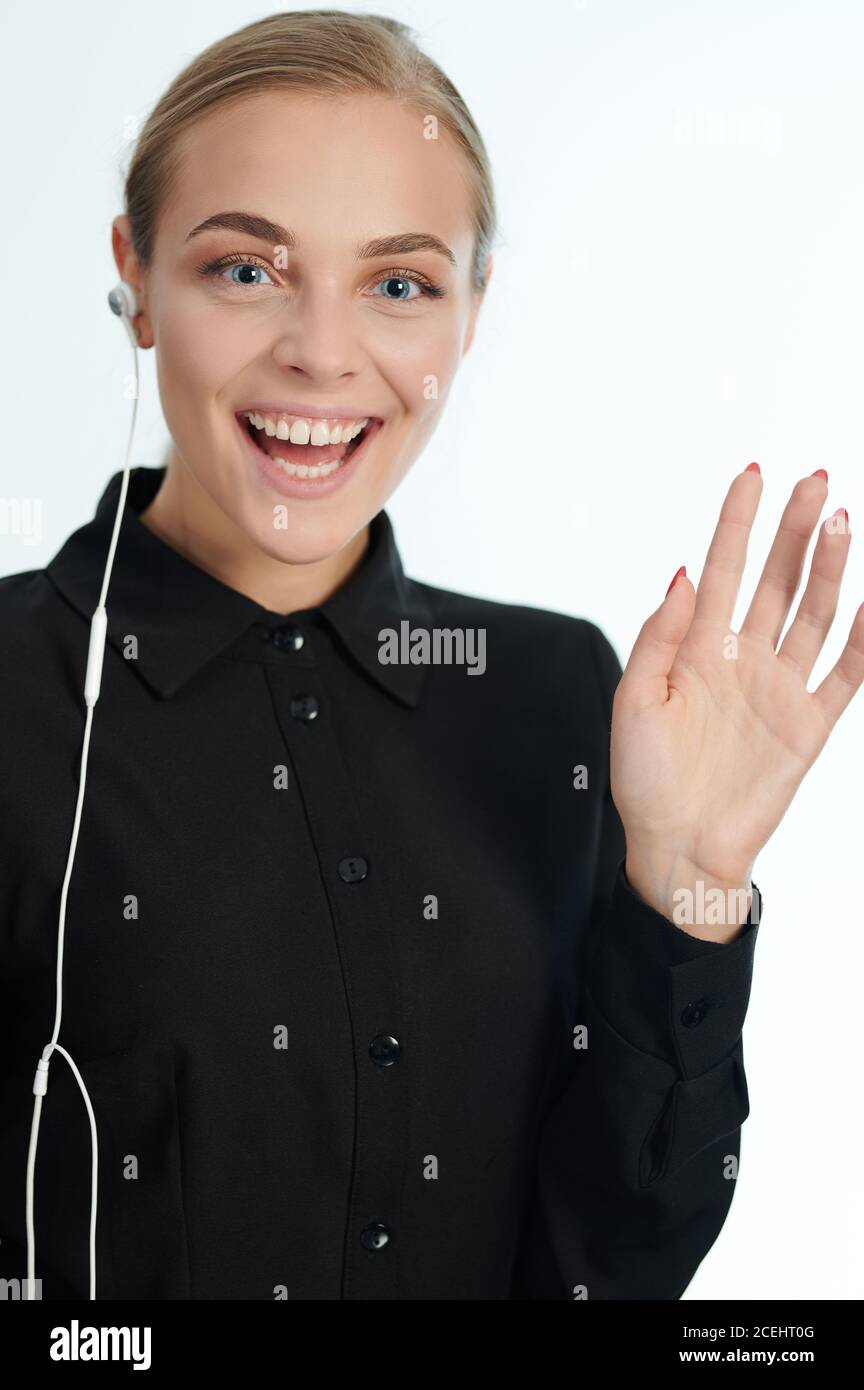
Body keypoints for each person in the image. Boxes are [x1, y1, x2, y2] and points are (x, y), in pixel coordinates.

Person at [0, 10, 860, 1302]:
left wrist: (687, 891)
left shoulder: (563, 692)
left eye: (399, 283)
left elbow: (604, 1268)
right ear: (136, 273)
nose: (323, 352)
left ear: (471, 310)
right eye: (246, 269)